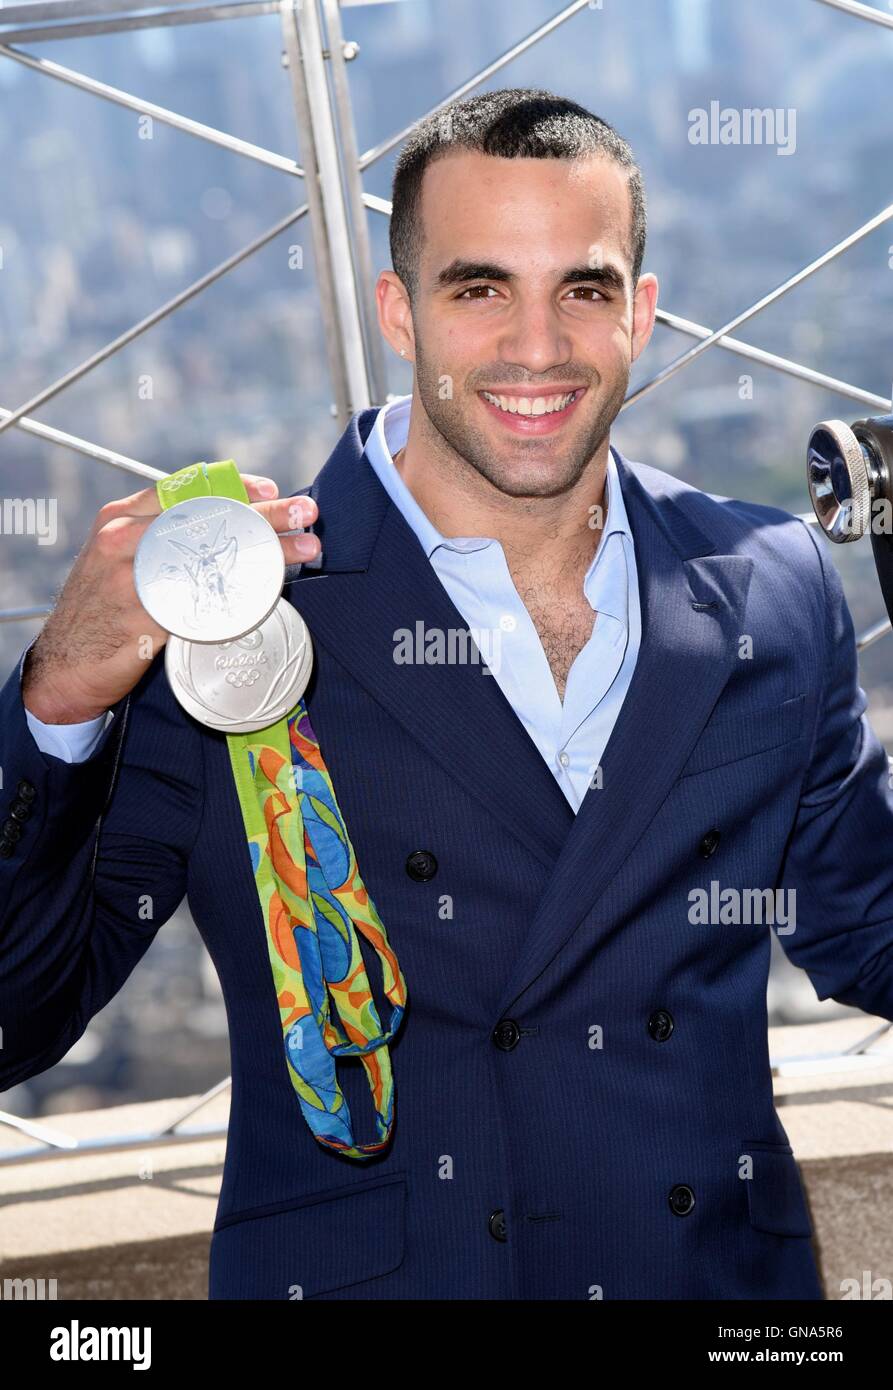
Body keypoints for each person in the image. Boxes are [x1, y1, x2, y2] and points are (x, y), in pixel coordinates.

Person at [2, 87, 891, 1301]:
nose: (536, 346)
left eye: (580, 288)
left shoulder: (775, 589)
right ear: (398, 312)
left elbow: (869, 935)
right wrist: (59, 694)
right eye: (479, 288)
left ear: (638, 312)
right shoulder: (231, 616)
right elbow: (17, 1017)